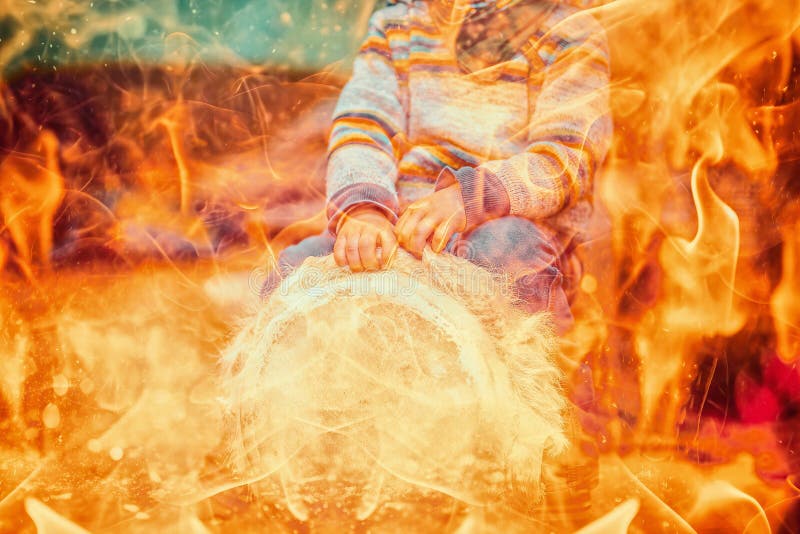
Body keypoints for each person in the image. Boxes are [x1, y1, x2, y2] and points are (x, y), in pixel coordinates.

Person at [273, 0, 611, 331]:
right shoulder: (397, 27)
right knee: (290, 271)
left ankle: (546, 383)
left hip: (511, 233)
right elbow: (363, 130)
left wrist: (470, 198)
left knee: (511, 249)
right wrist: (364, 211)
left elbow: (566, 161)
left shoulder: (571, 33)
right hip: (401, 229)